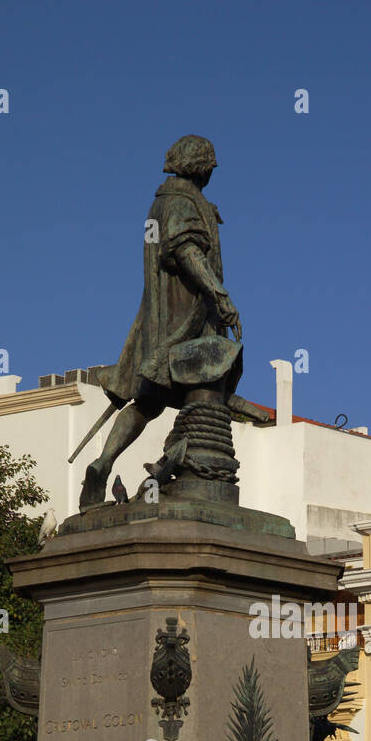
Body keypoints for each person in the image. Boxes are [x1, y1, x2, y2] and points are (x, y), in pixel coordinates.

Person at [78, 134, 243, 511]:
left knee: (147, 400)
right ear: (199, 166)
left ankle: (104, 462)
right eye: (209, 165)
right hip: (184, 316)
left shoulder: (166, 200)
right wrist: (219, 295)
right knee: (204, 388)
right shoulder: (180, 202)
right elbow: (184, 250)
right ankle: (199, 476)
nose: (211, 172)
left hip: (167, 316)